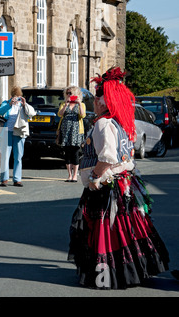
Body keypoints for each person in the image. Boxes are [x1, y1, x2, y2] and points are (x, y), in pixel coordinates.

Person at [68, 67, 169, 289]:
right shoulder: (118, 121)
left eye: (97, 97)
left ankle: (107, 275)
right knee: (126, 226)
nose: (94, 100)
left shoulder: (104, 123)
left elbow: (107, 157)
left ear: (105, 101)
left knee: (106, 228)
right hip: (124, 181)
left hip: (108, 183)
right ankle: (132, 268)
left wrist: (94, 177)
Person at [0, 86, 36, 187]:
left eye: (18, 96)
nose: (17, 98)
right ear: (12, 96)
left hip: (19, 133)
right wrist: (10, 103)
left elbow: (32, 113)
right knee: (5, 156)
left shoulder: (23, 105)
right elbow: (0, 111)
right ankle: (4, 178)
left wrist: (24, 104)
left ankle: (17, 179)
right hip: (7, 132)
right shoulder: (7, 103)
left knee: (18, 156)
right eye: (15, 96)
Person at [57, 86, 86, 182]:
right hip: (66, 131)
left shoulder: (81, 104)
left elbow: (82, 115)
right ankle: (69, 175)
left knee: (75, 153)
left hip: (76, 131)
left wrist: (78, 103)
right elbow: (60, 114)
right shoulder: (63, 104)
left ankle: (75, 176)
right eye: (68, 93)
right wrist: (65, 105)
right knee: (67, 153)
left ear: (76, 94)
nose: (69, 95)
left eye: (71, 93)